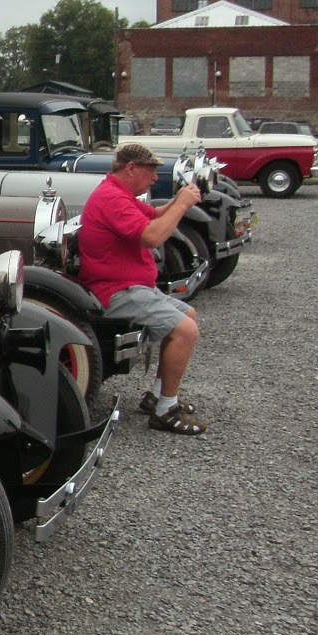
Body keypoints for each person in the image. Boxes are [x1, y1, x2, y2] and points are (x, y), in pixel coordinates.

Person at [78, 142, 208, 434]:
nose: (154, 178)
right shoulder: (112, 198)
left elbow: (154, 215)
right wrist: (182, 204)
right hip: (116, 291)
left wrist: (179, 200)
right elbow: (152, 237)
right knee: (186, 330)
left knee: (188, 315)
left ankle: (159, 396)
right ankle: (165, 411)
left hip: (132, 286)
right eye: (150, 171)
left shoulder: (119, 194)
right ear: (131, 168)